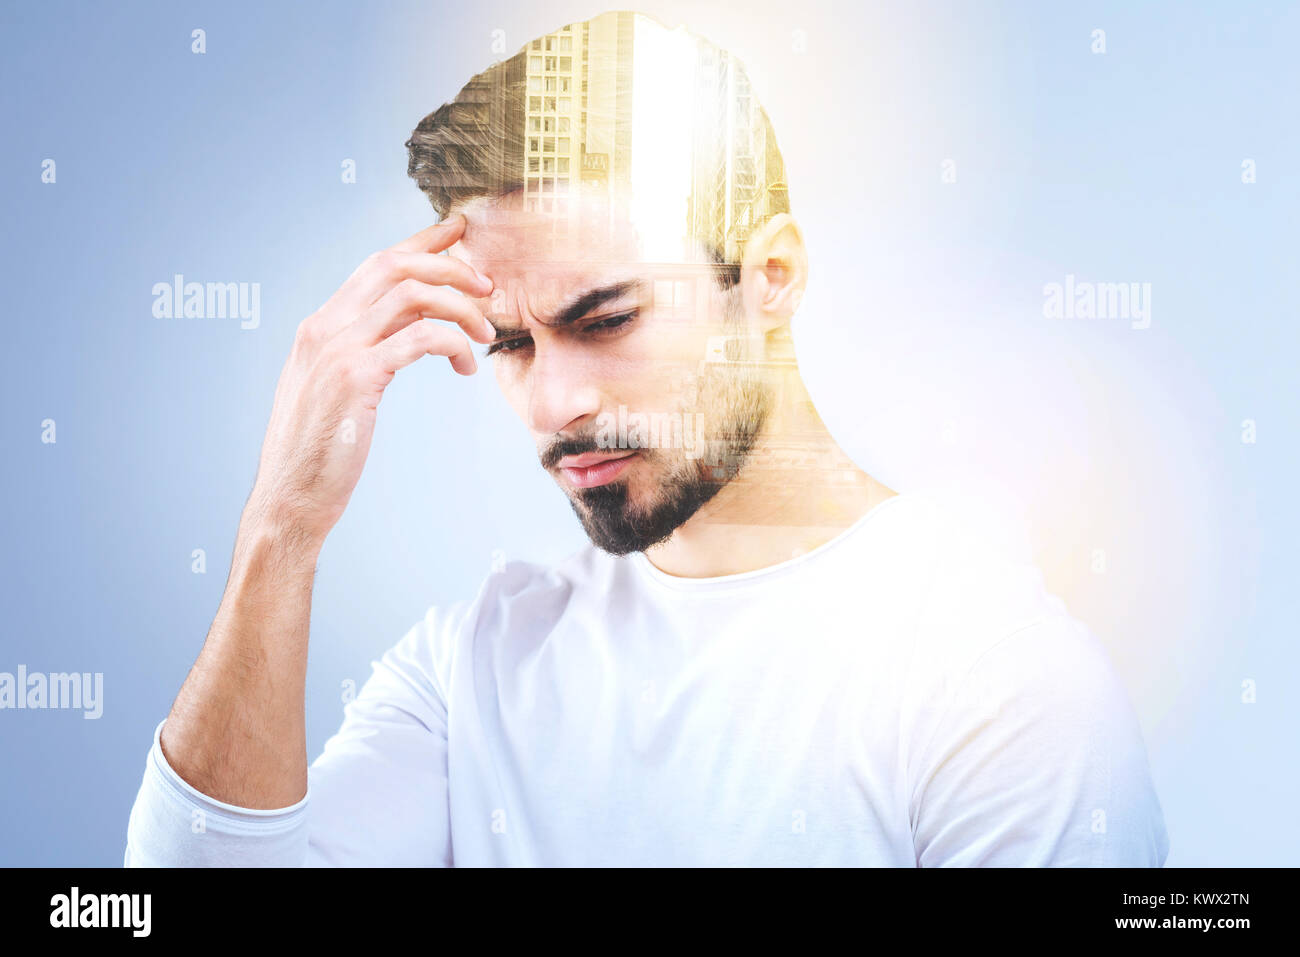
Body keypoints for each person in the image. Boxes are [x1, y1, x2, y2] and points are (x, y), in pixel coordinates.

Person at [124, 10, 1169, 866]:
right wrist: (283, 524)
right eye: (508, 345)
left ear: (771, 278)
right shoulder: (476, 666)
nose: (554, 404)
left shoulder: (988, 680)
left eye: (607, 319)